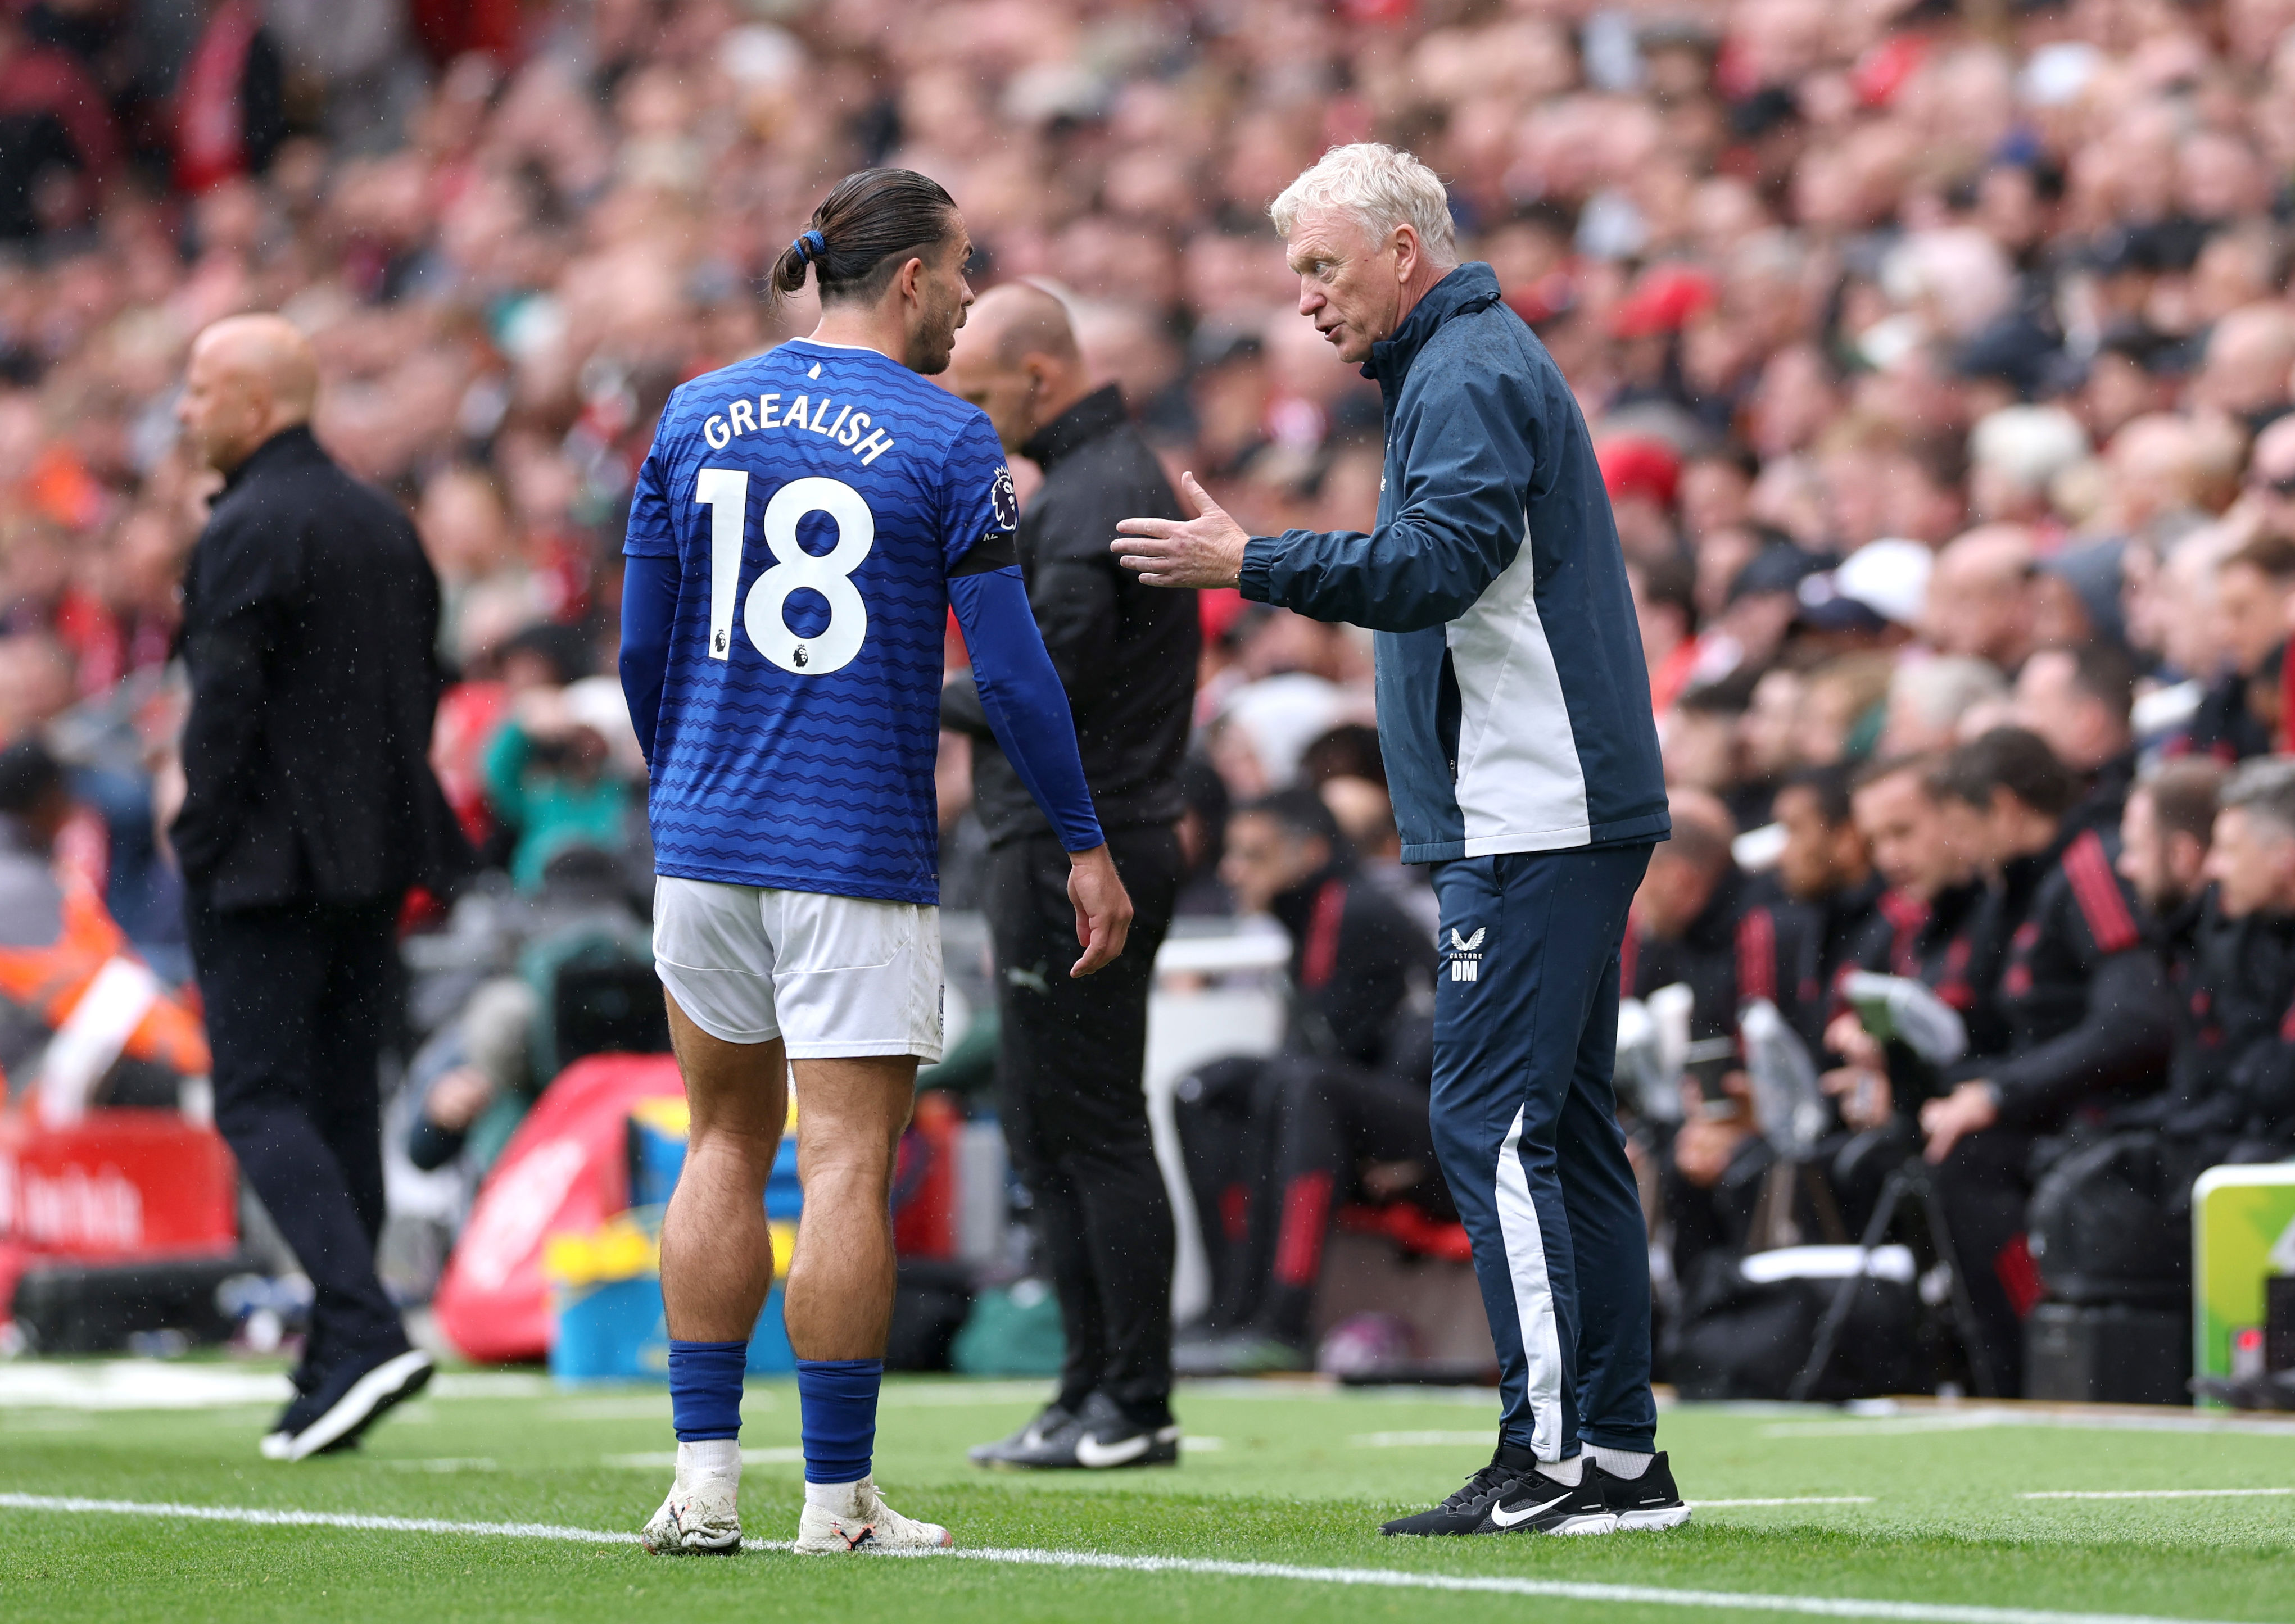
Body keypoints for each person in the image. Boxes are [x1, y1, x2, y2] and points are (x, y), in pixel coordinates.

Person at [1114, 143, 1685, 1537]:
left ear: (1402, 252)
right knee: (1560, 1131)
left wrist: (1252, 562)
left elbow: (1435, 565)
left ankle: (1551, 1453)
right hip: (1539, 799)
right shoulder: (1464, 362)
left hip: (1533, 803)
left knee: (1488, 1121)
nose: (1302, 298)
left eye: (1320, 265)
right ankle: (1610, 1452)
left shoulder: (1469, 369)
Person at [615, 169, 1133, 1557]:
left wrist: (693, 779)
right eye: (964, 267)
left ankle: (702, 1484)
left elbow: (640, 650)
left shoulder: (693, 408)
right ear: (909, 277)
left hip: (707, 838)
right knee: (845, 1162)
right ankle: (834, 1502)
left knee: (722, 1138)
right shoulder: (951, 438)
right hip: (850, 839)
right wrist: (1085, 838)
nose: (970, 294)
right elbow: (1015, 679)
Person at [170, 314, 469, 1462]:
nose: (186, 413)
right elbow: (424, 683)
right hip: (375, 859)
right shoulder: (380, 521)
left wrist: (198, 837)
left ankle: (360, 1319)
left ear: (256, 403)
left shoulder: (248, 524)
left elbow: (226, 709)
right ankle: (336, 1364)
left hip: (263, 863)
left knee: (255, 1097)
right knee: (342, 1096)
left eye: (201, 390)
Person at [938, 283, 1199, 1471]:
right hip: (1072, 836)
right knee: (1053, 1123)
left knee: (1087, 1122)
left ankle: (1131, 1396)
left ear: (1040, 376)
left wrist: (886, 686)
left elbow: (1041, 678)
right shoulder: (1100, 482)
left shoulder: (1093, 492)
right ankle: (1090, 1386)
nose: (974, 416)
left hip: (1079, 843)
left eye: (982, 392)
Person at [1171, 787, 1435, 1372]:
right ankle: (1229, 1309)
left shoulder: (1355, 908)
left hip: (1435, 1134)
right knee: (1205, 1088)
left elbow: (1427, 1037)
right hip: (1349, 1107)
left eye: (1252, 855)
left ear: (1310, 853)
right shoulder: (1303, 913)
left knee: (1301, 1084)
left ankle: (1283, 1324)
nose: (1230, 870)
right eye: (1231, 853)